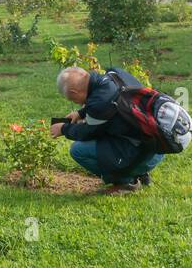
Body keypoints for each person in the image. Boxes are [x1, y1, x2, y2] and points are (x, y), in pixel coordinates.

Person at [51, 65, 163, 194]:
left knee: (78, 150)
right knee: (118, 134)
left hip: (141, 153)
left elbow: (87, 133)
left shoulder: (99, 104)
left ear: (73, 92)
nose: (76, 103)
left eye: (73, 99)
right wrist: (81, 113)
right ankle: (140, 172)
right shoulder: (114, 75)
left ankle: (125, 182)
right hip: (156, 147)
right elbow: (111, 101)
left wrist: (64, 129)